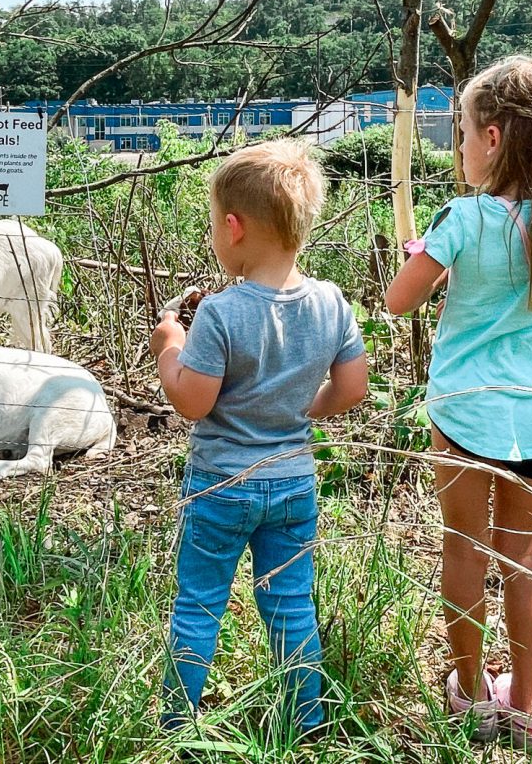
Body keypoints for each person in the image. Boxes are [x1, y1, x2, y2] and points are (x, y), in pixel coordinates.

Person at [385, 56, 532, 751]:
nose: (458, 148)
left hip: (462, 410)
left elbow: (399, 301)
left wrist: (424, 252)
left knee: (463, 545)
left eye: (462, 133)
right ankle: (530, 704)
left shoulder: (465, 219)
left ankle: (473, 695)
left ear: (493, 140)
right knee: (523, 554)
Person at [149, 139, 369, 736]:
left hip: (222, 483)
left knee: (198, 606)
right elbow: (352, 388)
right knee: (292, 605)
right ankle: (308, 721)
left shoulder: (221, 313)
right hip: (294, 481)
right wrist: (302, 412)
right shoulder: (330, 302)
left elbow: (193, 400)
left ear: (233, 226)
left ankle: (176, 725)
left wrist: (169, 345)